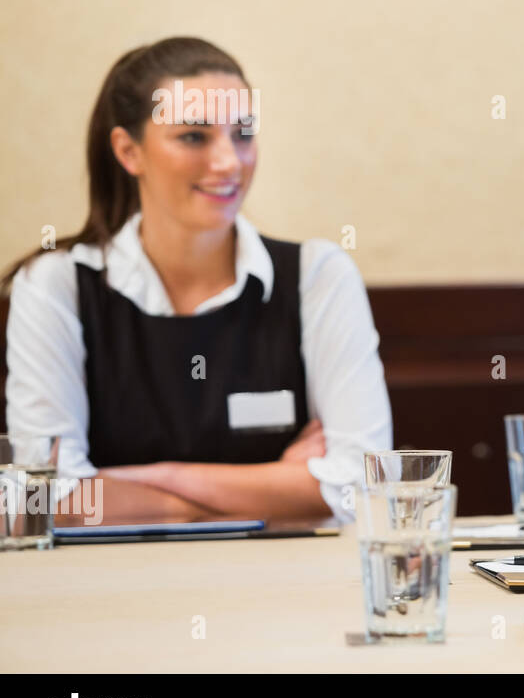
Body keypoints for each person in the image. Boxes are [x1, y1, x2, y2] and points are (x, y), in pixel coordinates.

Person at [3, 37, 391, 523]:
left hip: (282, 589)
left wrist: (155, 480)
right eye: (194, 137)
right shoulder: (56, 286)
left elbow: (360, 488)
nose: (229, 162)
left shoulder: (318, 276)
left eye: (243, 133)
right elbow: (44, 500)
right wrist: (281, 484)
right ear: (129, 151)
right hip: (115, 591)